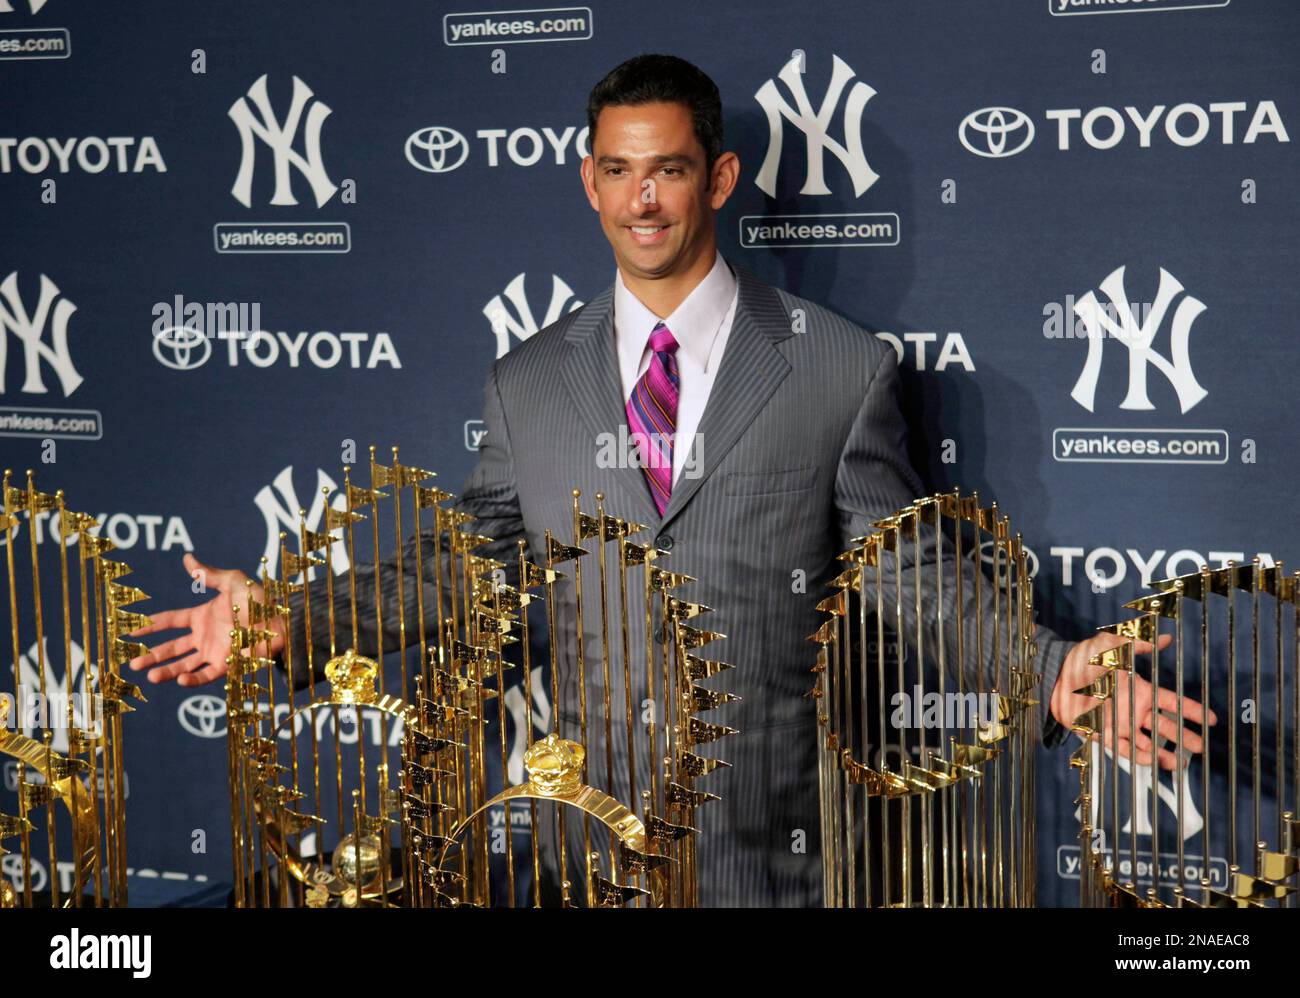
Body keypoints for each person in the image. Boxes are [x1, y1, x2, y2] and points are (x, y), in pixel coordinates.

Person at [128, 54, 1214, 906]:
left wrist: (1052, 666)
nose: (641, 198)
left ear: (719, 177)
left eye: (669, 168)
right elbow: (466, 564)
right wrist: (291, 616)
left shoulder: (837, 365)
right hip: (579, 848)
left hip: (773, 853)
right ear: (588, 180)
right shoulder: (527, 379)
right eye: (617, 169)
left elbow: (910, 576)